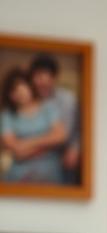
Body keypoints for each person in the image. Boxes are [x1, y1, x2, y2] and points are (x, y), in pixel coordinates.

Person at [0, 66, 65, 184]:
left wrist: (25, 144)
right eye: (14, 91)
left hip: (50, 172)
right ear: (10, 96)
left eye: (22, 88)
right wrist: (48, 144)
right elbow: (15, 149)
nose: (20, 94)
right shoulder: (7, 116)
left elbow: (60, 136)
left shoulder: (48, 108)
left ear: (30, 87)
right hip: (19, 174)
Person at [28, 52, 80, 184]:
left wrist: (75, 148)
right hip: (31, 155)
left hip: (61, 153)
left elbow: (67, 134)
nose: (40, 81)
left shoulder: (67, 99)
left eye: (45, 76)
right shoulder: (27, 98)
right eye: (37, 76)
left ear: (54, 77)